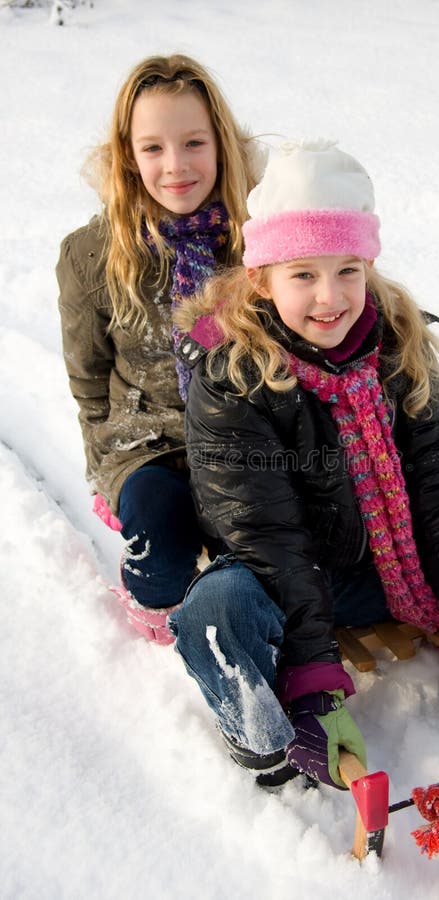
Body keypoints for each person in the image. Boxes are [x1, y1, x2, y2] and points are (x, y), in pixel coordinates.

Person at [169, 140, 439, 789]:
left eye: (347, 270)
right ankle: (270, 739)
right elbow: (267, 540)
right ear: (262, 278)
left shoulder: (398, 345)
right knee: (216, 612)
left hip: (400, 561)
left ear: (369, 265)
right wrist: (312, 677)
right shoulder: (233, 382)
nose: (329, 297)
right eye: (303, 274)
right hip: (296, 579)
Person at [56, 54, 260, 643]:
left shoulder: (257, 237)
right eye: (153, 148)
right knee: (163, 537)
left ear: (221, 143)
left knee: (253, 549)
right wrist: (105, 469)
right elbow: (89, 378)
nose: (176, 166)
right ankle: (153, 592)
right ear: (127, 154)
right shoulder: (91, 254)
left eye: (193, 142)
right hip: (146, 440)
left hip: (243, 432)